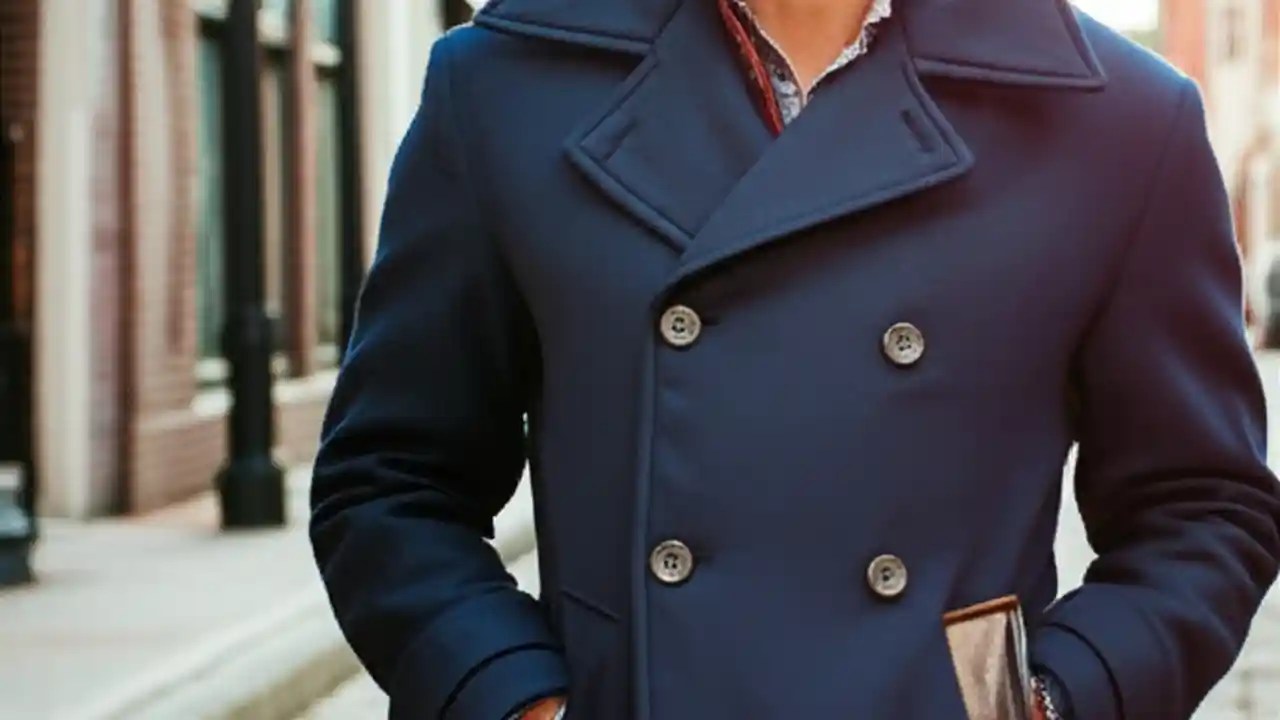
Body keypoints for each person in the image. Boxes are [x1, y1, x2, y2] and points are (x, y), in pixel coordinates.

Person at [309, 0, 1280, 717]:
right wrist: (511, 697)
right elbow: (390, 484)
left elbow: (1201, 508)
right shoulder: (501, 88)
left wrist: (1052, 699)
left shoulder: (1119, 123)